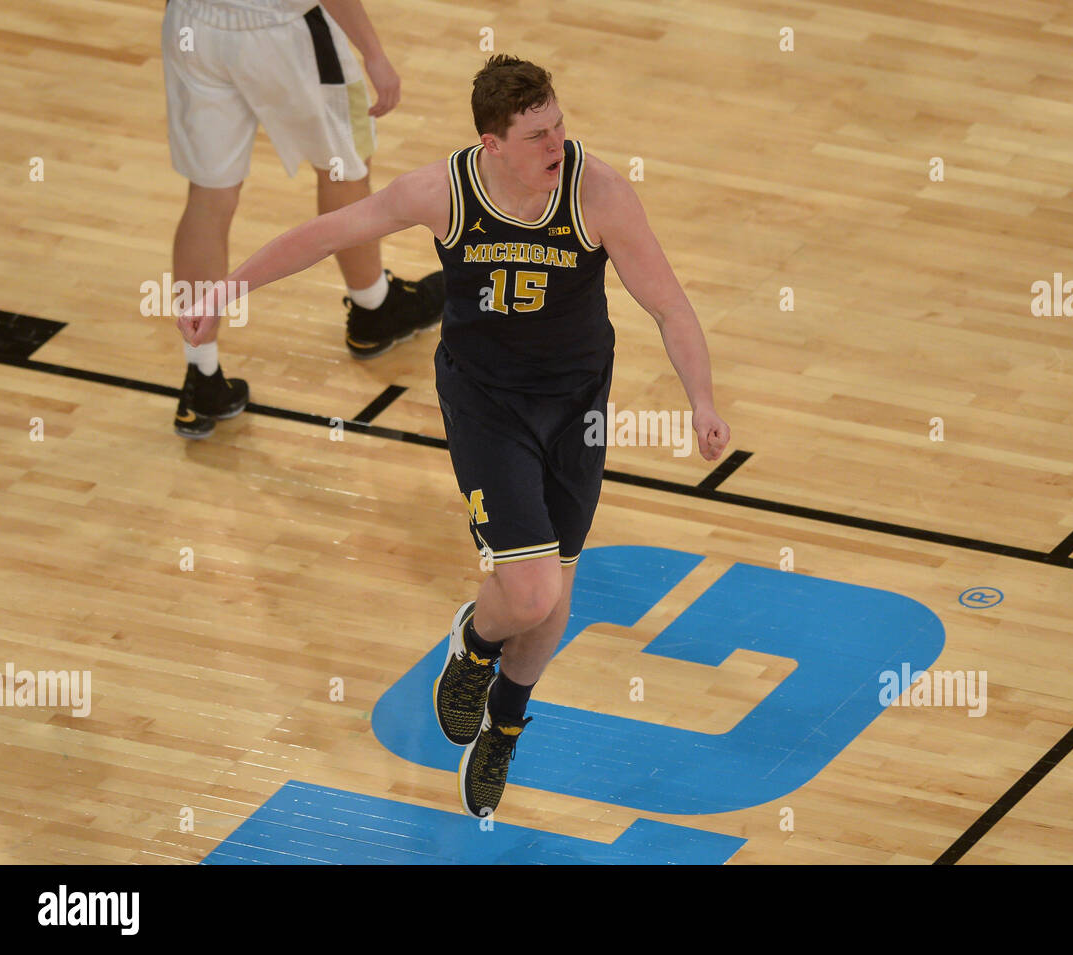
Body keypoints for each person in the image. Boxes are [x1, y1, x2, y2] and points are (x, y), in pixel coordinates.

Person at [179, 54, 731, 817]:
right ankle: (473, 642)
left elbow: (670, 306)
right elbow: (329, 231)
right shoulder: (443, 192)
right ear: (491, 143)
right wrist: (230, 286)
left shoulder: (596, 192)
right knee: (529, 591)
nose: (557, 145)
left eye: (560, 125)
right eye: (538, 134)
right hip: (485, 402)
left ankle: (503, 724)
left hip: (576, 405)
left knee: (554, 598)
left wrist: (701, 399)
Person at [162, 0, 443, 439]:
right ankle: (373, 308)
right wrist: (374, 52)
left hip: (193, 25)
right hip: (283, 28)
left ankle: (202, 376)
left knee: (208, 197)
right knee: (343, 167)